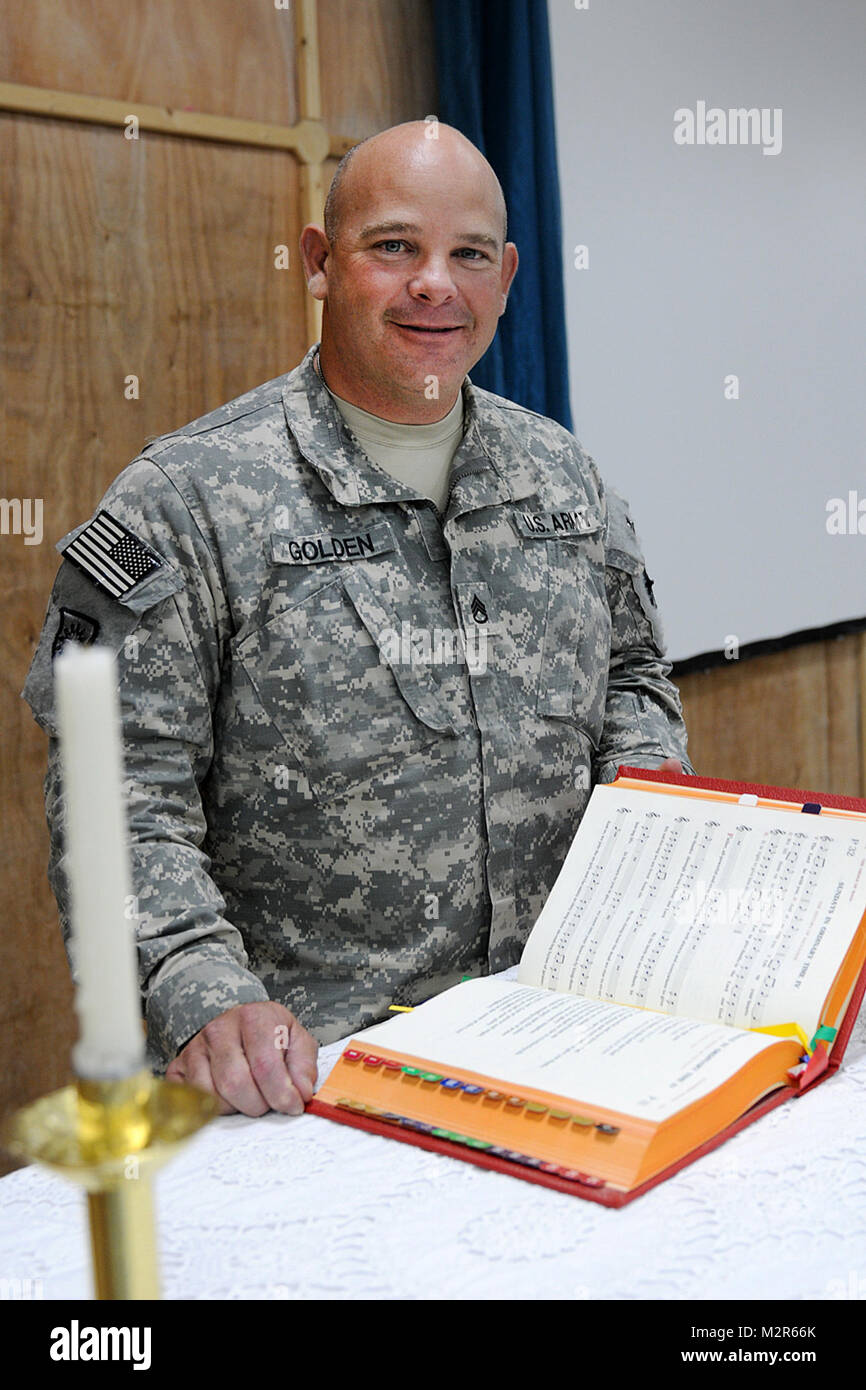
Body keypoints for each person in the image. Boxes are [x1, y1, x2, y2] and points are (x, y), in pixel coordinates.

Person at [23, 121, 693, 1120]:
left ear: (505, 276)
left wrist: (645, 801)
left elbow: (633, 674)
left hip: (569, 1033)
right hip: (321, 1077)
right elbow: (113, 792)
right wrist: (204, 995)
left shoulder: (563, 476)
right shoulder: (187, 500)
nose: (435, 283)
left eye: (468, 254)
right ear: (318, 263)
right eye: (393, 246)